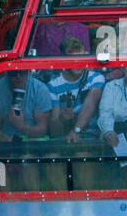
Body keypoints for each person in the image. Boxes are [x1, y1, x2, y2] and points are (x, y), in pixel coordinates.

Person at [43, 37, 105, 189]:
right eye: (73, 58)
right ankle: (62, 204)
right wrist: (63, 120)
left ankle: (87, 202)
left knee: (82, 155)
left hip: (89, 135)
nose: (78, 62)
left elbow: (90, 104)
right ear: (63, 59)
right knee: (52, 159)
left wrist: (76, 129)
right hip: (62, 137)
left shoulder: (95, 78)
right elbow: (54, 129)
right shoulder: (52, 85)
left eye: (81, 57)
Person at [0, 69, 53, 191]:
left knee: (27, 161)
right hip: (6, 142)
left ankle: (34, 202)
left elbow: (42, 129)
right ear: (5, 73)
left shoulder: (39, 89)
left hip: (32, 141)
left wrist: (20, 126)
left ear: (29, 72)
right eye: (13, 73)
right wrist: (4, 139)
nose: (18, 77)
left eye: (22, 72)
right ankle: (4, 201)